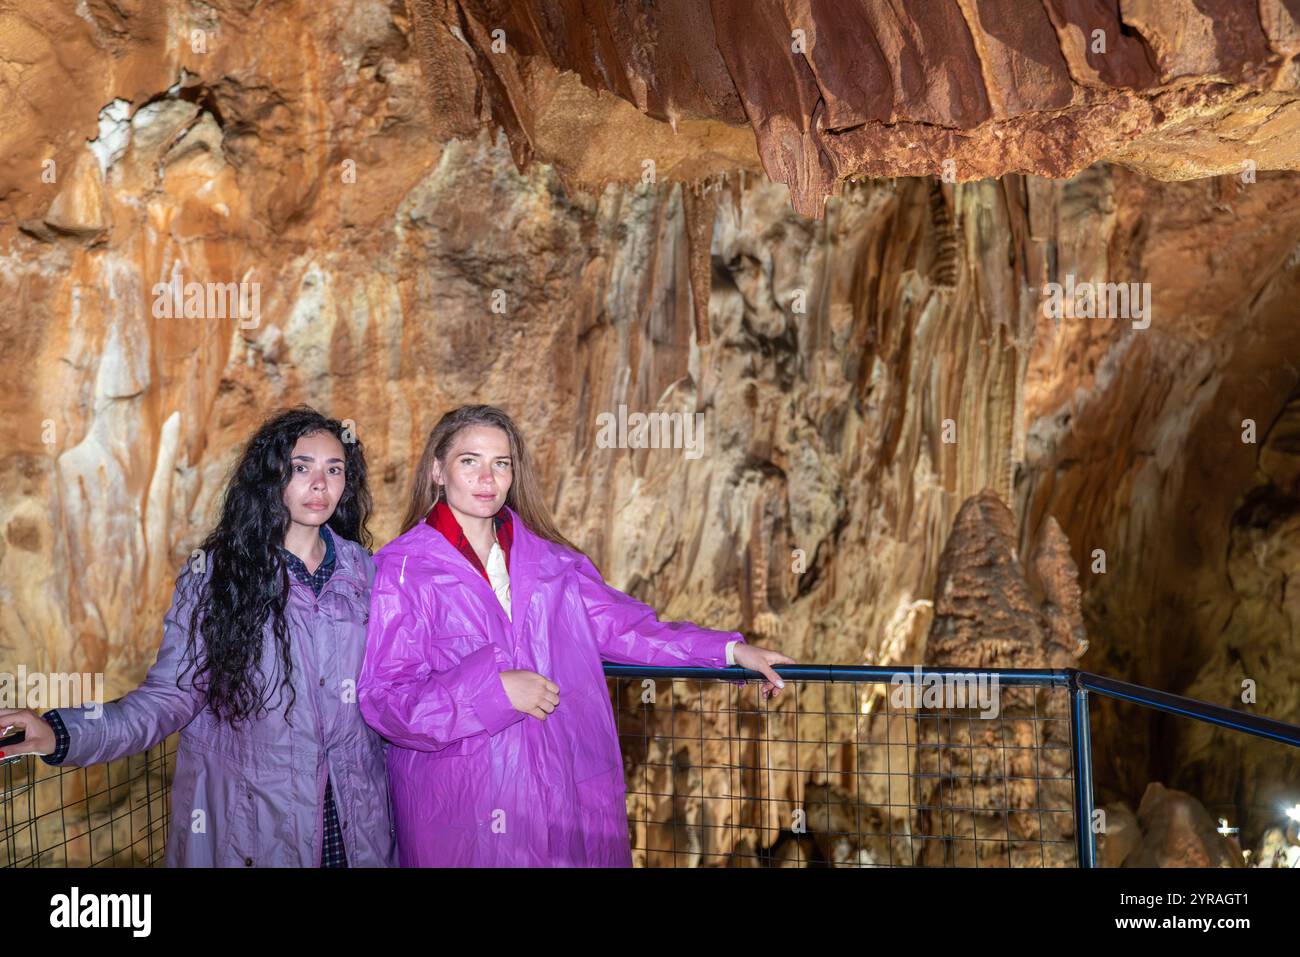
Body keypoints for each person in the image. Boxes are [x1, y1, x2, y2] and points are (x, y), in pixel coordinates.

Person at [358, 404, 794, 866]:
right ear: (437, 471)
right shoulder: (404, 570)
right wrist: (492, 692)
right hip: (465, 807)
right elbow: (388, 699)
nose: (487, 478)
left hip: (560, 793)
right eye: (470, 461)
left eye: (501, 463)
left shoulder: (552, 566)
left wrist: (729, 650)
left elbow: (629, 629)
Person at [0, 408, 396, 867]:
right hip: (258, 830)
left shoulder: (365, 574)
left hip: (354, 826)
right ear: (271, 477)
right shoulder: (219, 577)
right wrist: (61, 732)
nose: (320, 484)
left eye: (334, 469)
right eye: (301, 467)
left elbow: (392, 695)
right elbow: (170, 696)